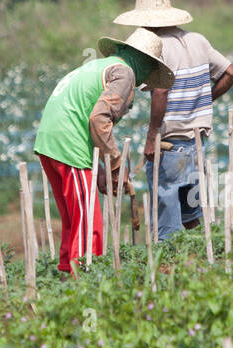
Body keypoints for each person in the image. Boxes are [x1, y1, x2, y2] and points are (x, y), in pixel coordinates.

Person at [33, 28, 173, 273]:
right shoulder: (125, 73)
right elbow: (99, 120)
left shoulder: (102, 66)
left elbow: (83, 114)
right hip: (69, 144)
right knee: (90, 225)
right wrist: (117, 165)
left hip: (51, 142)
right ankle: (87, 283)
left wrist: (99, 167)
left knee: (74, 221)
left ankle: (67, 283)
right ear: (146, 63)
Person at [114, 0, 233, 241]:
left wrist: (151, 138)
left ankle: (169, 272)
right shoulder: (198, 40)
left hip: (170, 147)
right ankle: (201, 262)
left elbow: (160, 92)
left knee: (166, 227)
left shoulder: (156, 46)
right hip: (196, 145)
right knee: (192, 217)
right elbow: (231, 73)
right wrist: (206, 97)